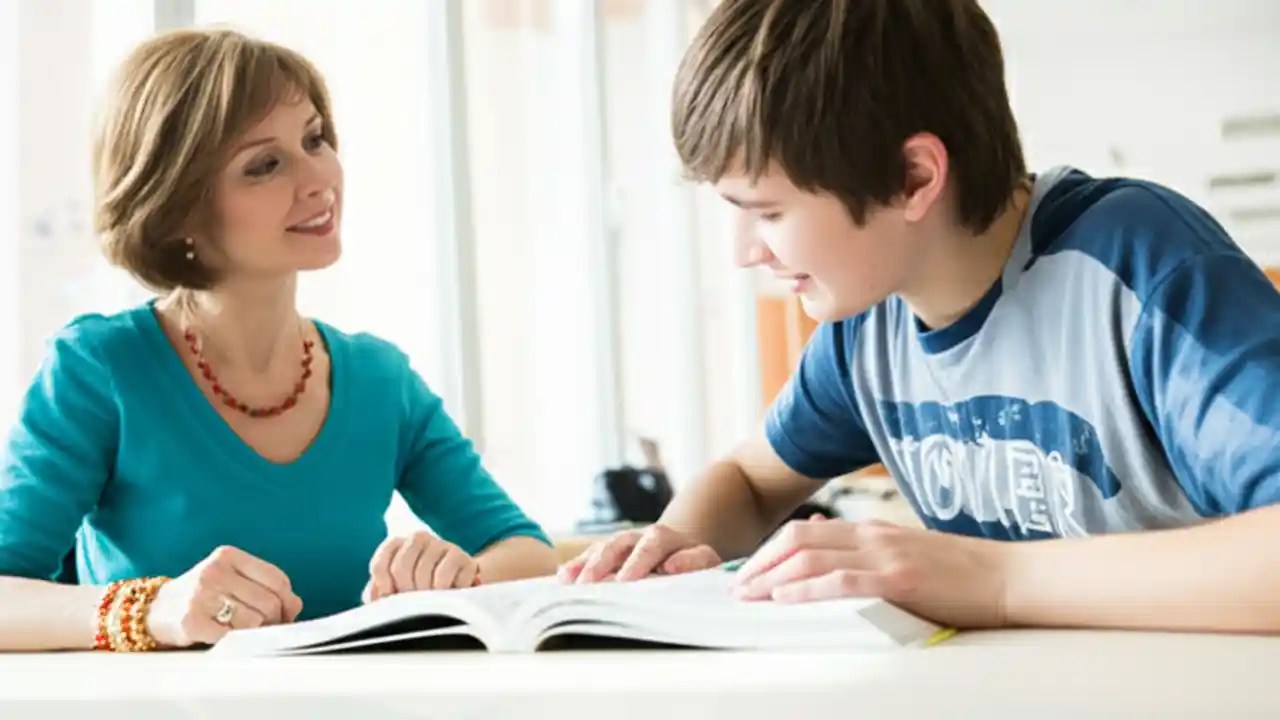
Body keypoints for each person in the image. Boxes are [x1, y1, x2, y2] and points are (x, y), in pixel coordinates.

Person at [560, 0, 1280, 634]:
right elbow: (748, 480)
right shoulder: (867, 327)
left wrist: (992, 580)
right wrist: (672, 541)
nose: (745, 253)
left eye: (769, 212)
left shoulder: (1139, 267)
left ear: (915, 178)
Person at [0, 28, 556, 652]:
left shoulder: (379, 379)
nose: (319, 176)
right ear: (177, 206)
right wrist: (153, 608)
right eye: (264, 165)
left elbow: (529, 552)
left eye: (315, 138)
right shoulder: (100, 367)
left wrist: (458, 577)